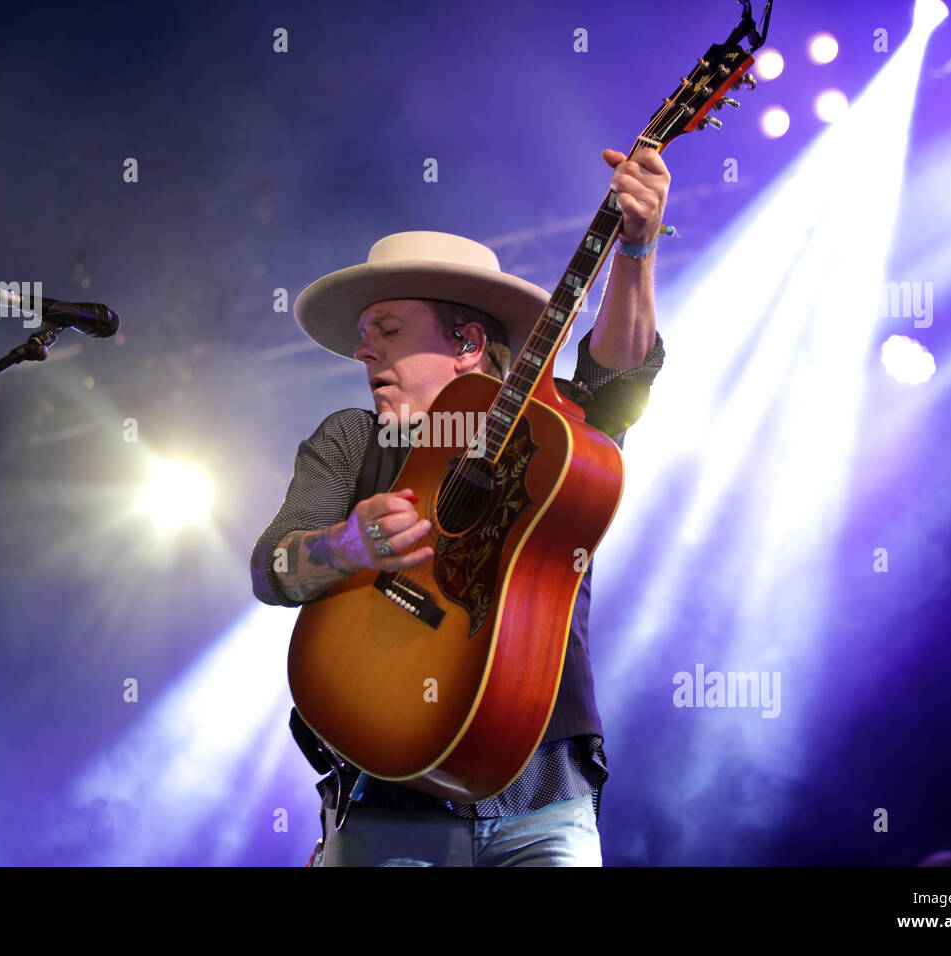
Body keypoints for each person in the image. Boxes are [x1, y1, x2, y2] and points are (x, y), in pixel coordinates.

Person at [250, 146, 671, 866]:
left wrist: (635, 247)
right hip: (387, 805)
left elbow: (619, 374)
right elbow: (273, 568)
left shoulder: (556, 430)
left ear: (469, 341)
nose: (364, 352)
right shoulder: (352, 439)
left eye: (387, 331)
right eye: (362, 337)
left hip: (544, 798)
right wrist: (345, 548)